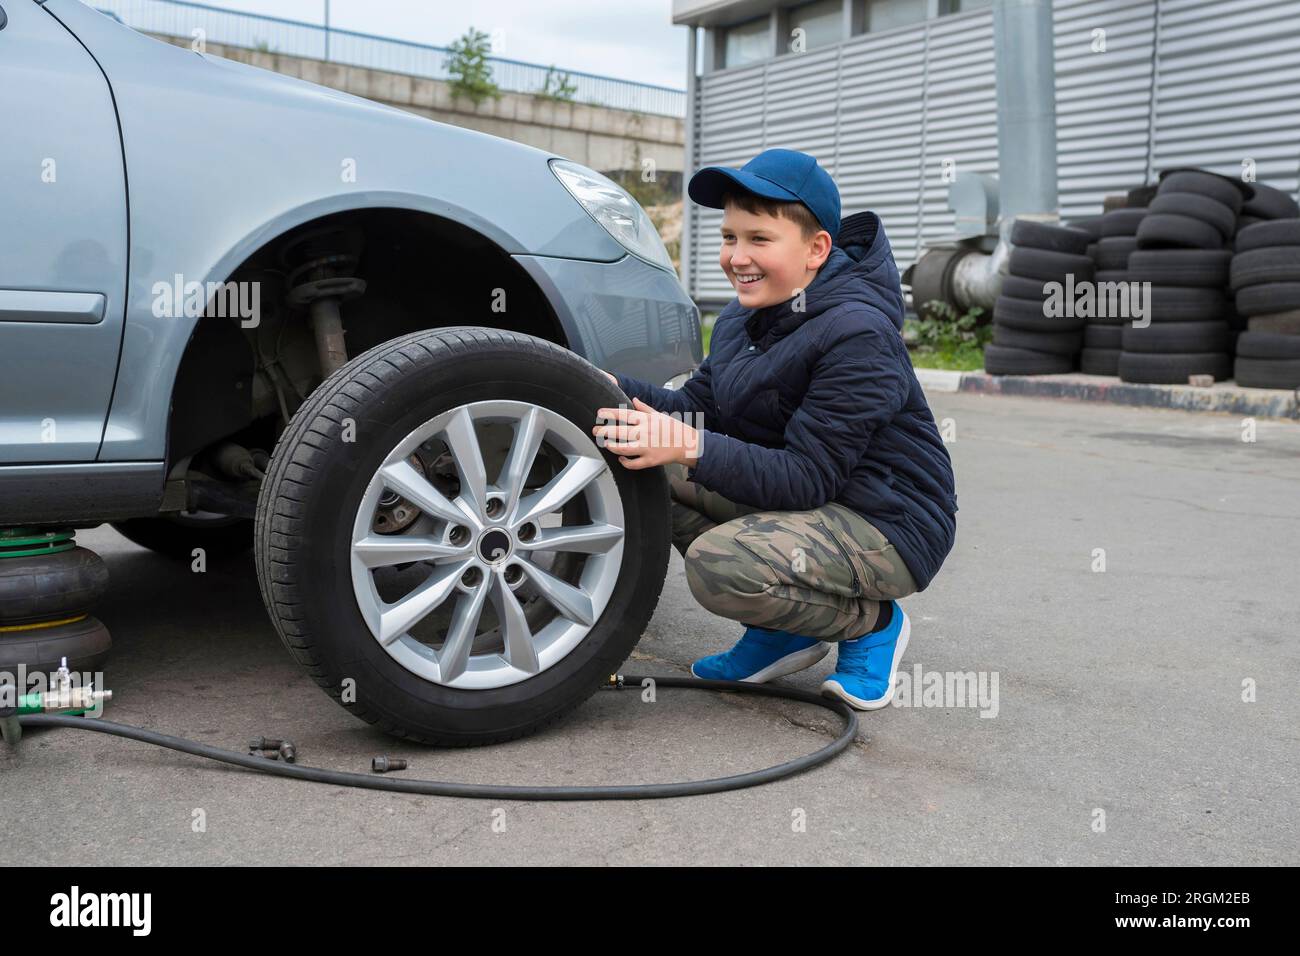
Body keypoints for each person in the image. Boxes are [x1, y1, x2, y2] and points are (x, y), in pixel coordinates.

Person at [592, 148, 957, 711]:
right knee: (641, 462)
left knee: (723, 565)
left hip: (887, 522)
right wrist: (604, 385)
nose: (736, 257)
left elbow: (805, 477)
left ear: (816, 250)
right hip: (815, 501)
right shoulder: (743, 317)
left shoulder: (857, 332)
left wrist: (688, 444)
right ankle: (782, 627)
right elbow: (696, 408)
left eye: (759, 240)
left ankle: (871, 624)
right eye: (729, 237)